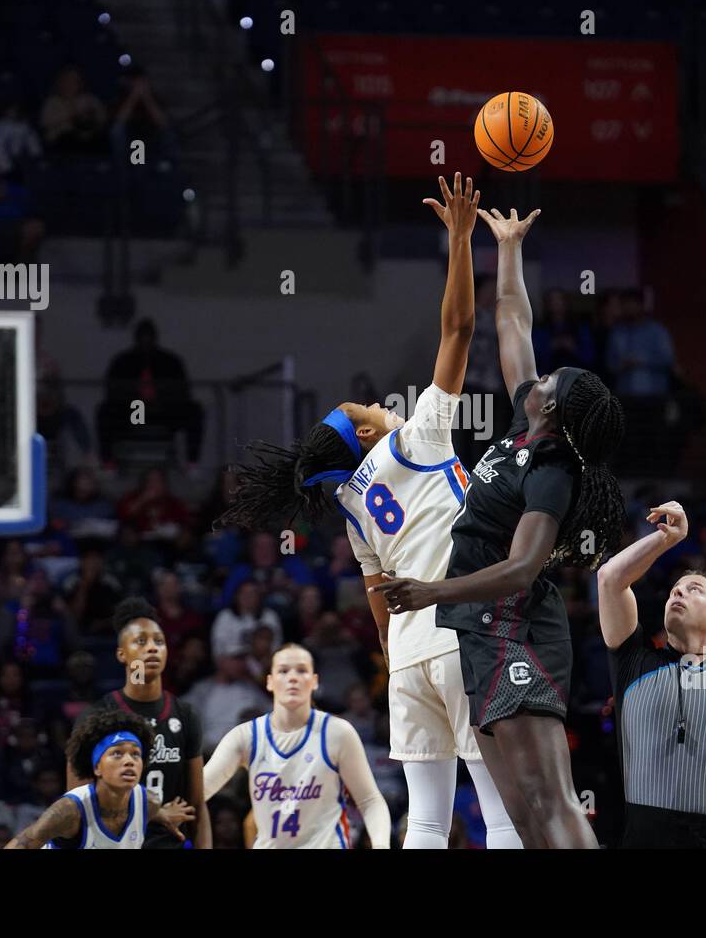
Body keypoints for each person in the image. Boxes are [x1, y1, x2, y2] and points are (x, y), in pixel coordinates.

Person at [220, 174, 517, 848]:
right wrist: (462, 241)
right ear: (369, 434)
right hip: (461, 633)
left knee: (431, 818)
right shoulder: (416, 440)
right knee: (501, 807)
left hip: (409, 659)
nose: (383, 404)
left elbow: (378, 599)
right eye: (369, 410)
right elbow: (460, 327)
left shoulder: (353, 506)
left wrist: (399, 661)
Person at [373, 205, 627, 849]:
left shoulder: (550, 470)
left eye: (549, 379)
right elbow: (513, 319)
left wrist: (430, 593)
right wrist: (508, 248)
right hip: (481, 636)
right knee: (523, 816)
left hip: (518, 631)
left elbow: (520, 568)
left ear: (556, 408)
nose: (537, 376)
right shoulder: (524, 424)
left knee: (552, 801)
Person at [596, 501, 706, 848]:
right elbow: (610, 578)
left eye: (694, 590)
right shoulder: (634, 660)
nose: (678, 591)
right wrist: (667, 539)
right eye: (676, 589)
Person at [202, 645, 391, 848]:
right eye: (283, 671)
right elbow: (199, 790)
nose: (292, 677)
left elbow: (370, 801)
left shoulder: (338, 733)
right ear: (270, 682)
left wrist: (381, 844)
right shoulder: (245, 736)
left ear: (315, 681)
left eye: (301, 670)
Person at [66, 598, 211, 848]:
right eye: (140, 641)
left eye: (159, 641)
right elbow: (77, 805)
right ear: (122, 654)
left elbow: (197, 805)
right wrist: (154, 812)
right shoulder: (97, 716)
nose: (152, 648)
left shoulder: (186, 715)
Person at [7, 709, 194, 849]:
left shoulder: (149, 803)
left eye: (135, 754)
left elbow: (151, 811)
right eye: (117, 754)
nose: (129, 761)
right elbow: (21, 844)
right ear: (97, 767)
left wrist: (164, 815)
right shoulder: (69, 811)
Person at [96, 319, 204, 470]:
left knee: (194, 410)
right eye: (142, 336)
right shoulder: (122, 361)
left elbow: (183, 391)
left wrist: (161, 401)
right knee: (104, 411)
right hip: (134, 412)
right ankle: (108, 464)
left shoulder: (170, 361)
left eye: (149, 336)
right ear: (136, 337)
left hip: (163, 412)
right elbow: (112, 392)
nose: (145, 340)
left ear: (155, 337)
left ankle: (192, 464)